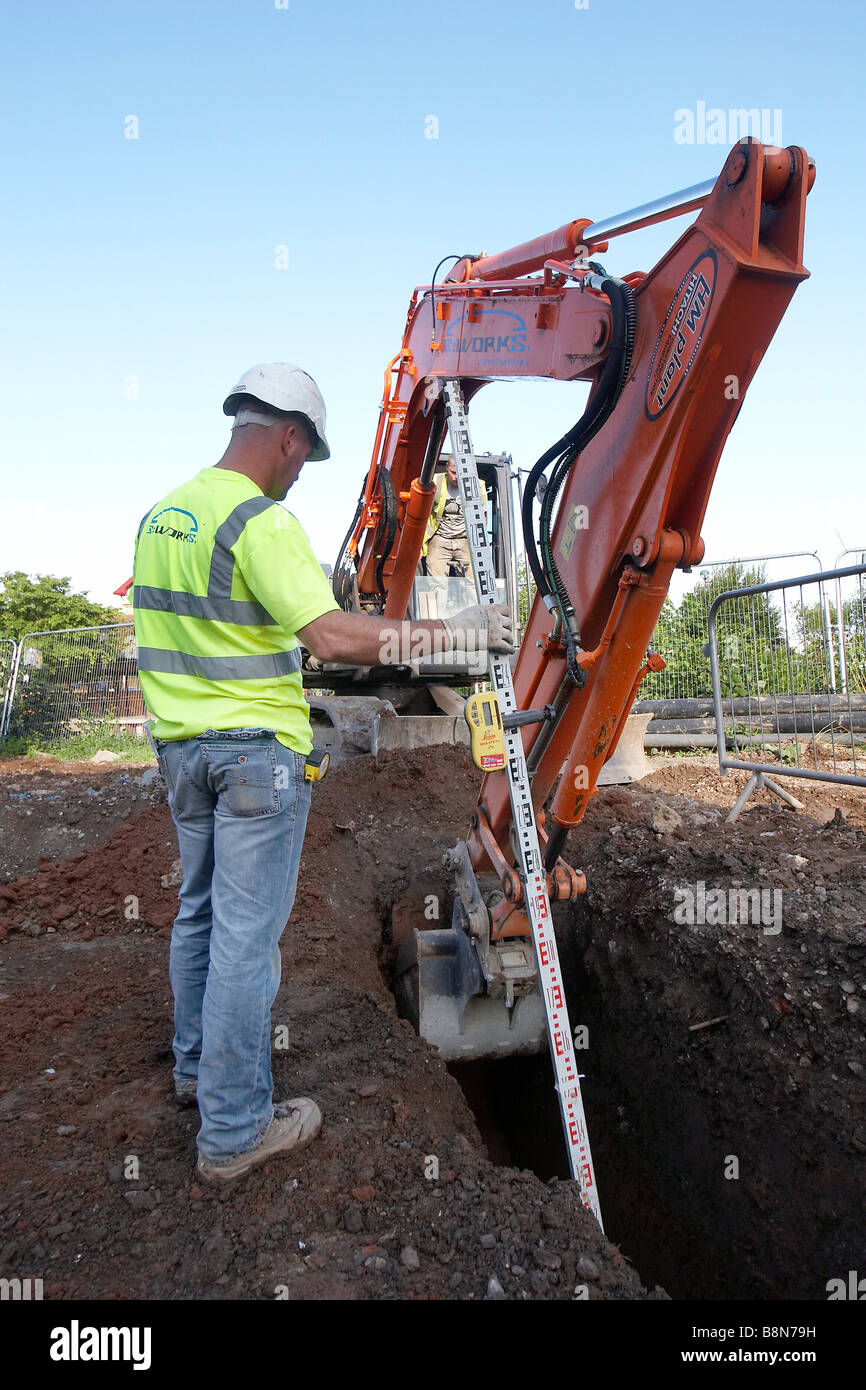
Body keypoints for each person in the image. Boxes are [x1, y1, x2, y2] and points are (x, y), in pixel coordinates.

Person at [131, 362, 514, 1184]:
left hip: (182, 753)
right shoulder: (260, 523)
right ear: (288, 436)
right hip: (253, 759)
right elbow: (333, 638)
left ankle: (198, 1074)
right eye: (304, 457)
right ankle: (232, 1132)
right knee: (245, 940)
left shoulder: (162, 517)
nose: (300, 473)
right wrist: (455, 635)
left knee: (198, 918)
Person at [422, 456, 487, 578]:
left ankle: (472, 596)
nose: (456, 477)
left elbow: (483, 517)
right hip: (440, 537)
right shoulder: (435, 482)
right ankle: (439, 597)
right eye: (453, 472)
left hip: (465, 539)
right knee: (436, 582)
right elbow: (422, 513)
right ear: (447, 467)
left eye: (460, 474)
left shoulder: (477, 487)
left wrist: (479, 545)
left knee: (474, 582)